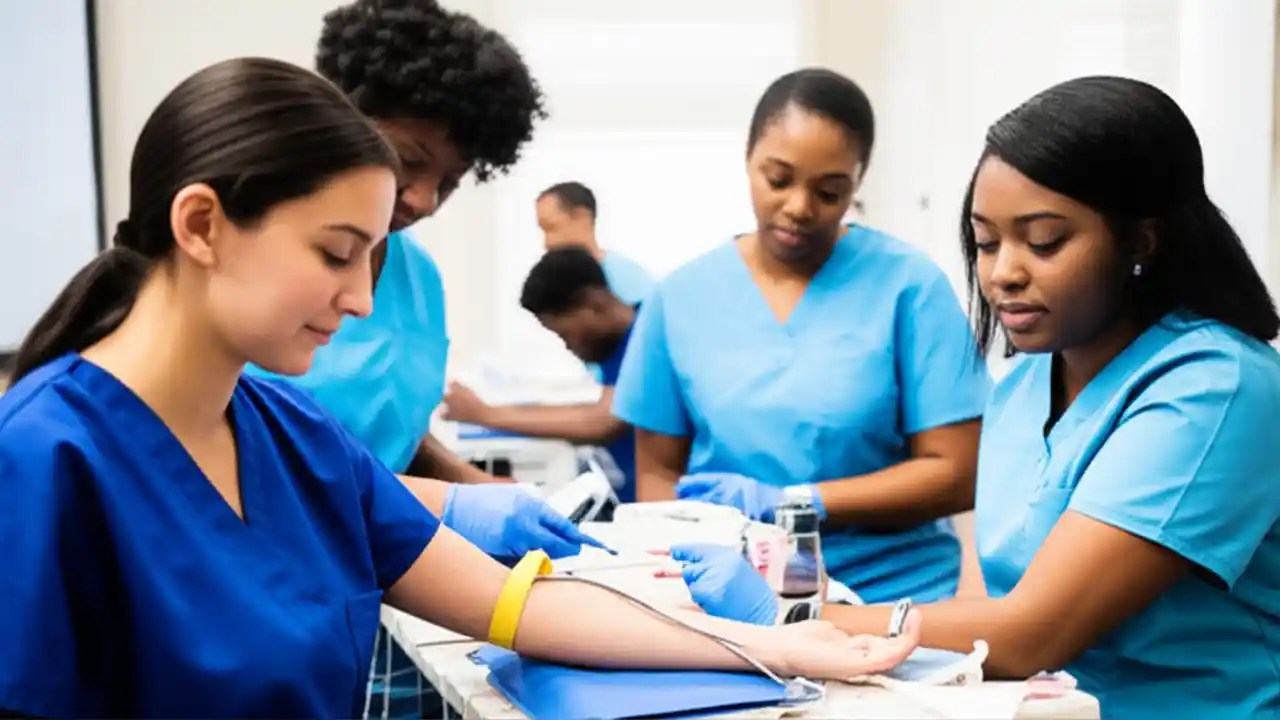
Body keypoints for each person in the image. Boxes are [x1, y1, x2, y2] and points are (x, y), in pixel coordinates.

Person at [0, 56, 925, 719]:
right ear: (202, 223)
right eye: (335, 254)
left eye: (372, 257)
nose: (362, 299)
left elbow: (517, 606)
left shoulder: (288, 434)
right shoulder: (45, 460)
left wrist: (777, 648)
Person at [666, 76, 1280, 719]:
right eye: (986, 242)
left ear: (1142, 240)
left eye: (1044, 242)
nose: (1002, 272)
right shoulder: (1022, 389)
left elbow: (1031, 633)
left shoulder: (1215, 386)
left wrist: (797, 617)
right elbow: (985, 612)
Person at [612, 68, 990, 605]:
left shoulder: (910, 287)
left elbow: (957, 473)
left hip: (896, 595)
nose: (799, 207)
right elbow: (656, 471)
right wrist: (695, 557)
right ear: (748, 159)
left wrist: (802, 501)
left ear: (858, 182)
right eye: (778, 179)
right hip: (734, 594)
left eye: (829, 191)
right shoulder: (680, 297)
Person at [442, 248, 640, 500]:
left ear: (595, 304)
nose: (569, 346)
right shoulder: (616, 352)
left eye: (566, 335)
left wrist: (484, 414)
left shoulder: (645, 338)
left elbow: (603, 421)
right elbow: (596, 408)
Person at [537, 181, 655, 306]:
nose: (547, 243)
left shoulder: (628, 279)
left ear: (581, 217)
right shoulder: (555, 285)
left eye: (552, 227)